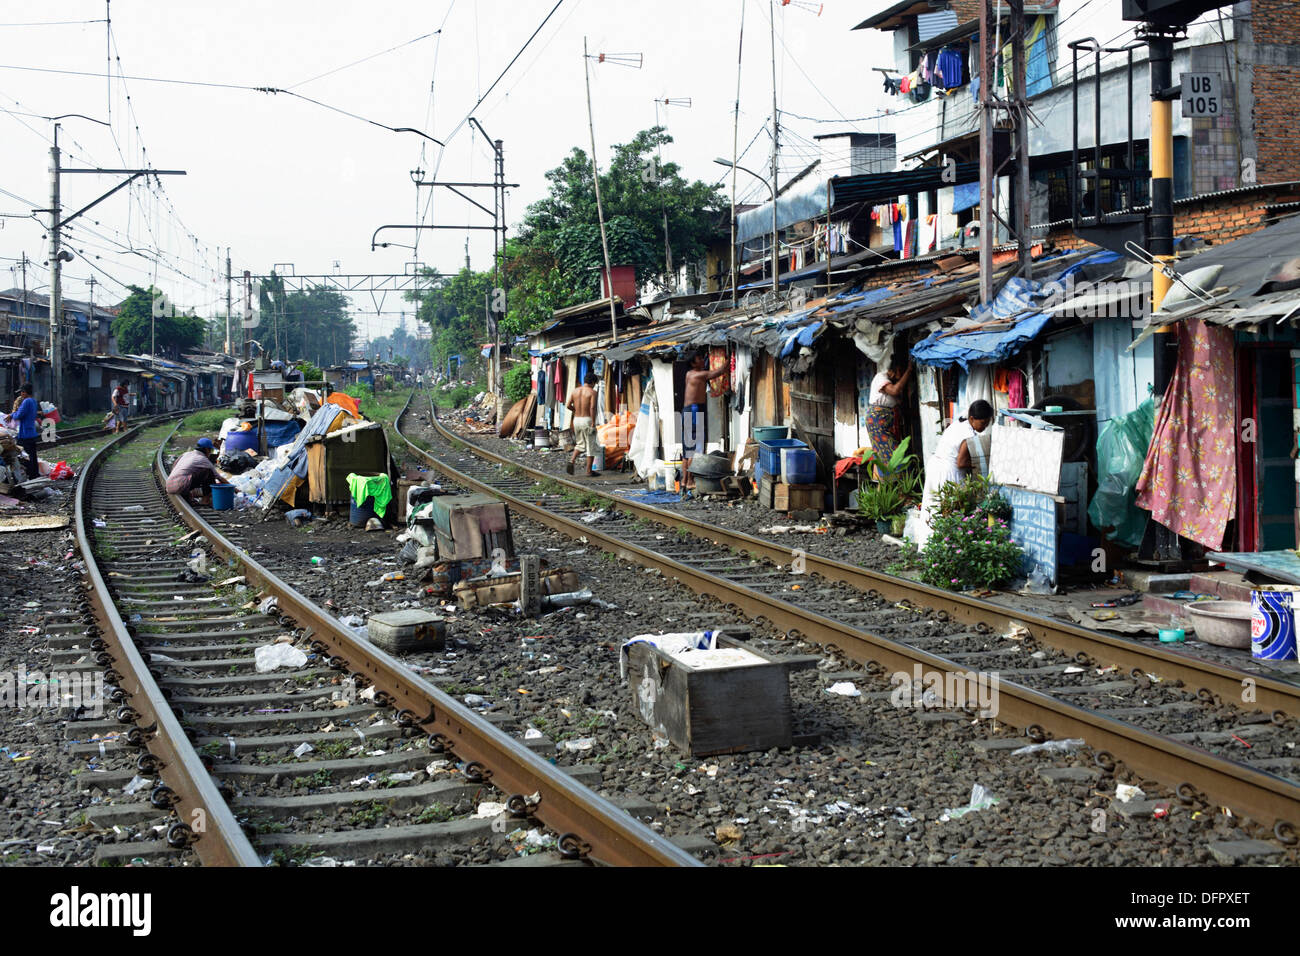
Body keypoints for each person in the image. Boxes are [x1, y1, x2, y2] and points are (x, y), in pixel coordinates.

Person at [919, 399, 994, 527]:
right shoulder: (968, 435)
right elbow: (961, 462)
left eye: (987, 424)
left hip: (936, 467)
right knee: (952, 510)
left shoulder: (959, 423)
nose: (985, 427)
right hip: (948, 472)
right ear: (972, 418)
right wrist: (977, 464)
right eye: (982, 423)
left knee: (934, 509)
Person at [682, 352, 728, 489]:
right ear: (693, 363)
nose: (703, 360)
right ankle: (690, 481)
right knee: (695, 449)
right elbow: (719, 371)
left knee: (687, 451)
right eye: (699, 358)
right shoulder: (699, 375)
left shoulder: (689, 374)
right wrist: (730, 358)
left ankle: (684, 481)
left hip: (688, 411)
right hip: (695, 410)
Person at [865, 360, 913, 474]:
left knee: (887, 453)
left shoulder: (890, 382)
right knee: (891, 453)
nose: (900, 376)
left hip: (884, 423)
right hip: (877, 422)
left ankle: (891, 484)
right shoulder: (881, 378)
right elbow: (895, 390)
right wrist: (909, 371)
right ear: (891, 371)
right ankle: (895, 483)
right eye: (899, 372)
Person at [165, 437, 231, 503]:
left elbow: (174, 467)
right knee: (208, 472)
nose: (210, 452)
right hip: (180, 487)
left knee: (193, 473)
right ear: (206, 449)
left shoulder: (186, 454)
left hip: (169, 486)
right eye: (210, 450)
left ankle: (189, 494)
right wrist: (235, 490)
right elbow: (219, 478)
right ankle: (205, 500)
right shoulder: (202, 459)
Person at [565, 373, 600, 475]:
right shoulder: (592, 392)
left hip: (577, 420)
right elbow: (592, 407)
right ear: (593, 382)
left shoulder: (575, 391)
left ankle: (572, 460)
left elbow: (568, 405)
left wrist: (576, 410)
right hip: (587, 420)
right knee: (590, 445)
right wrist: (593, 422)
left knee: (580, 443)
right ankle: (589, 471)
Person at [12, 383, 40, 481]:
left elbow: (18, 415)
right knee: (33, 455)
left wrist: (12, 414)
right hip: (31, 432)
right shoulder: (33, 401)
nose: (21, 395)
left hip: (25, 434)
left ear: (25, 392)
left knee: (25, 456)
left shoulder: (26, 401)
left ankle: (29, 475)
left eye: (21, 392)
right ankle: (35, 475)